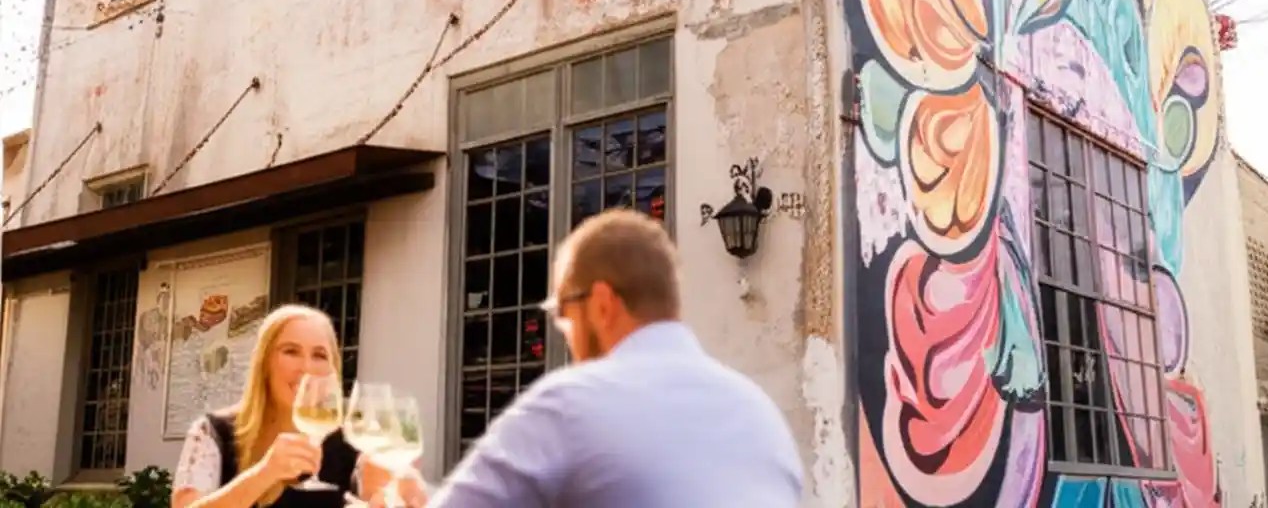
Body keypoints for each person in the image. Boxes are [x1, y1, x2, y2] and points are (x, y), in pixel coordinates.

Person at [426, 208, 804, 507]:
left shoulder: (569, 404)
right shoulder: (760, 413)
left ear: (603, 303)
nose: (565, 333)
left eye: (564, 313)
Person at [172, 304, 426, 508]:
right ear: (265, 364)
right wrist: (265, 474)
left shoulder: (353, 443)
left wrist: (401, 494)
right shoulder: (214, 432)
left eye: (319, 355)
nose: (306, 368)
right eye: (291, 351)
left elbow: (379, 496)